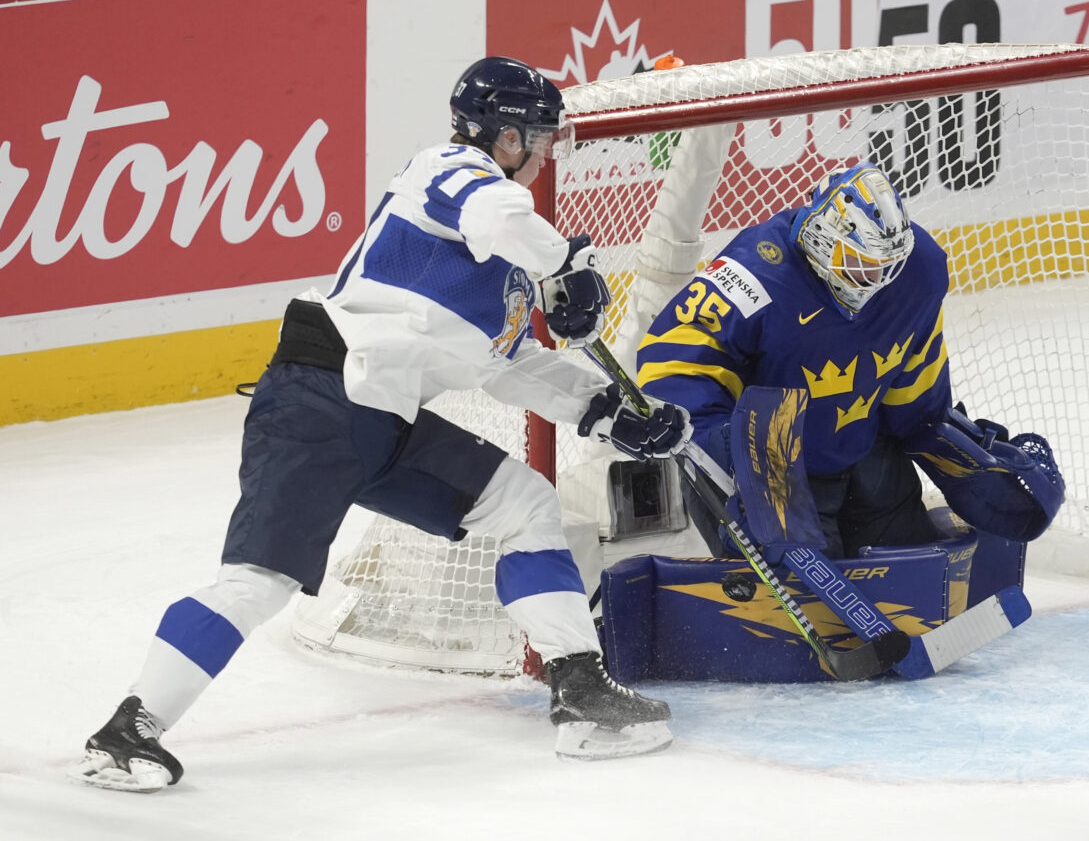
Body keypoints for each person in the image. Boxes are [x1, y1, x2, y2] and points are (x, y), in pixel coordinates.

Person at [71, 56, 692, 791]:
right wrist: (565, 261)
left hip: (385, 420)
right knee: (257, 584)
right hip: (319, 399)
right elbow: (499, 215)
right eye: (540, 139)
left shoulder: (505, 273)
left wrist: (604, 409)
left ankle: (581, 692)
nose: (546, 155)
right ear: (505, 136)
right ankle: (129, 728)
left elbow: (510, 363)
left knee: (524, 503)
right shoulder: (449, 170)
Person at [635, 160, 1061, 563]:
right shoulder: (755, 273)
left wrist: (946, 439)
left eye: (885, 267)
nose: (875, 280)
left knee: (907, 576)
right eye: (860, 264)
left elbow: (915, 376)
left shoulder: (919, 271)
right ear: (822, 240)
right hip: (769, 465)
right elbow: (670, 361)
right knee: (800, 602)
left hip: (861, 448)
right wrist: (730, 452)